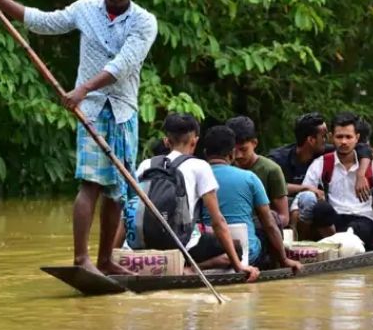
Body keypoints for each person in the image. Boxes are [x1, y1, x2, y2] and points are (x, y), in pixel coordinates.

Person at [0, 0, 157, 276]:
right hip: (91, 112)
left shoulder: (144, 21)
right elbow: (42, 21)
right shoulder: (85, 9)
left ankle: (106, 260)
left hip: (123, 111)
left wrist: (82, 88)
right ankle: (82, 259)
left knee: (118, 191)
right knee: (90, 183)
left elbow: (123, 64)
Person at [120, 114, 259, 280]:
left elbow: (129, 211)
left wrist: (115, 254)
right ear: (194, 141)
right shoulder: (200, 166)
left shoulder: (146, 164)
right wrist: (238, 266)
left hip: (141, 242)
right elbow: (218, 221)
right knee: (237, 248)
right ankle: (191, 269)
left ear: (167, 141)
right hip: (181, 245)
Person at [297, 112, 373, 249]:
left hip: (363, 221)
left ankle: (334, 245)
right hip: (334, 221)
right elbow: (302, 198)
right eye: (339, 137)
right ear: (331, 137)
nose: (344, 142)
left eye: (348, 137)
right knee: (320, 208)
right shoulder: (321, 163)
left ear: (357, 138)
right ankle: (336, 245)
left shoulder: (372, 167)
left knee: (355, 229)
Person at [200, 126, 301, 272]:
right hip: (247, 253)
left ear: (205, 153)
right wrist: (284, 259)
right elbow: (269, 224)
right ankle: (273, 267)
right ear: (232, 154)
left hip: (208, 250)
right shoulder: (249, 178)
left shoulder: (195, 178)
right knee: (270, 220)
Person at [268, 112, 373, 226]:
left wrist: (361, 175)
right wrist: (305, 188)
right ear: (311, 140)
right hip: (284, 207)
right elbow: (268, 186)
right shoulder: (278, 159)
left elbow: (364, 149)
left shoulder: (325, 151)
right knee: (305, 199)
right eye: (323, 136)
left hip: (318, 209)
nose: (327, 139)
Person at [226, 116, 289, 229]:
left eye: (243, 149)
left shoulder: (271, 170)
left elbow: (284, 217)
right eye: (234, 151)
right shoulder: (226, 169)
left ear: (254, 143)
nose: (238, 155)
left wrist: (267, 221)